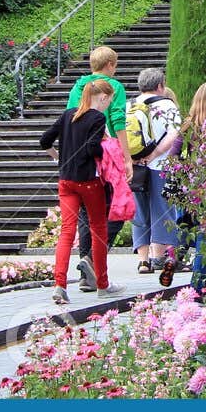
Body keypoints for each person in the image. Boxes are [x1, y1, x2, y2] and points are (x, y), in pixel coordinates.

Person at [41, 78, 124, 305]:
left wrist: (58, 158)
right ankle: (103, 285)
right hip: (89, 181)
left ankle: (60, 285)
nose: (108, 106)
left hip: (65, 181)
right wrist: (106, 146)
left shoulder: (68, 114)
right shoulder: (97, 118)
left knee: (67, 232)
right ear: (104, 97)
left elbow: (44, 140)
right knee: (99, 230)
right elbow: (91, 149)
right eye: (109, 101)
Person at [67, 47, 129, 286]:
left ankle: (86, 274)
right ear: (111, 65)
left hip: (79, 154)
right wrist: (126, 158)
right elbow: (118, 121)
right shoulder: (114, 87)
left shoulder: (77, 87)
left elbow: (70, 117)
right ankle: (92, 261)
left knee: (86, 213)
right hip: (106, 154)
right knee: (116, 210)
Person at [127, 68, 183, 283]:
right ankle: (159, 256)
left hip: (135, 166)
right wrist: (154, 155)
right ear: (161, 85)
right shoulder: (167, 104)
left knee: (139, 211)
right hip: (160, 165)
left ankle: (143, 260)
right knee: (162, 209)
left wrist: (132, 160)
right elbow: (174, 135)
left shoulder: (129, 105)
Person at [175, 81, 206, 294]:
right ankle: (199, 283)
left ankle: (181, 259)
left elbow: (173, 157)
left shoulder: (188, 125)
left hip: (194, 186)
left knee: (198, 231)